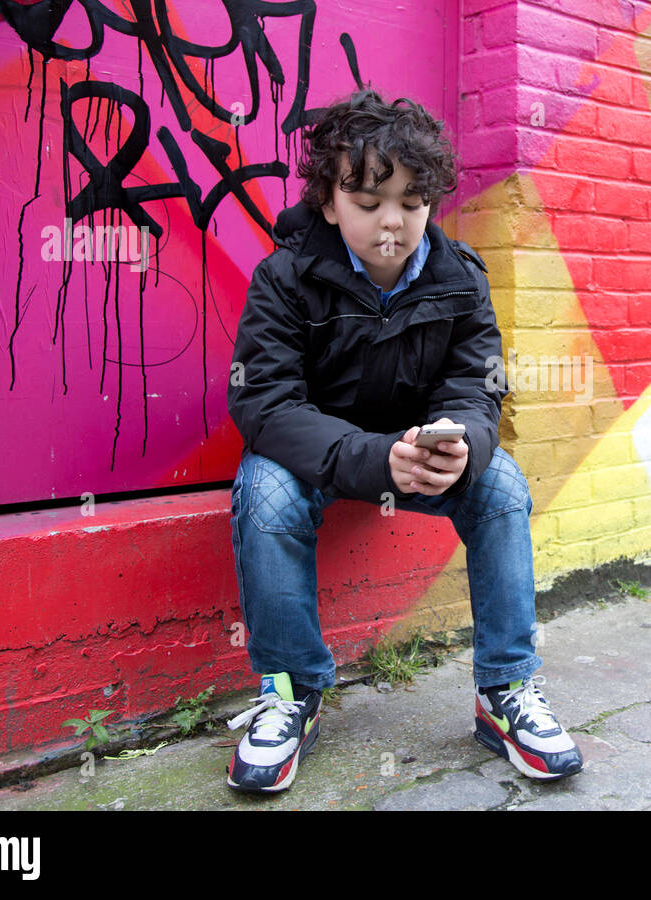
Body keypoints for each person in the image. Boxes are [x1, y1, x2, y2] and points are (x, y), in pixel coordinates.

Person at [224, 88, 583, 792]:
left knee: (503, 483)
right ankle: (291, 692)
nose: (392, 222)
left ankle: (504, 691)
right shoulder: (284, 280)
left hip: (416, 453)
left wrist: (463, 446)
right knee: (263, 491)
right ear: (328, 201)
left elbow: (478, 384)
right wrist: (370, 457)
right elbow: (264, 403)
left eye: (412, 202)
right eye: (368, 201)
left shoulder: (460, 278)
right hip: (317, 458)